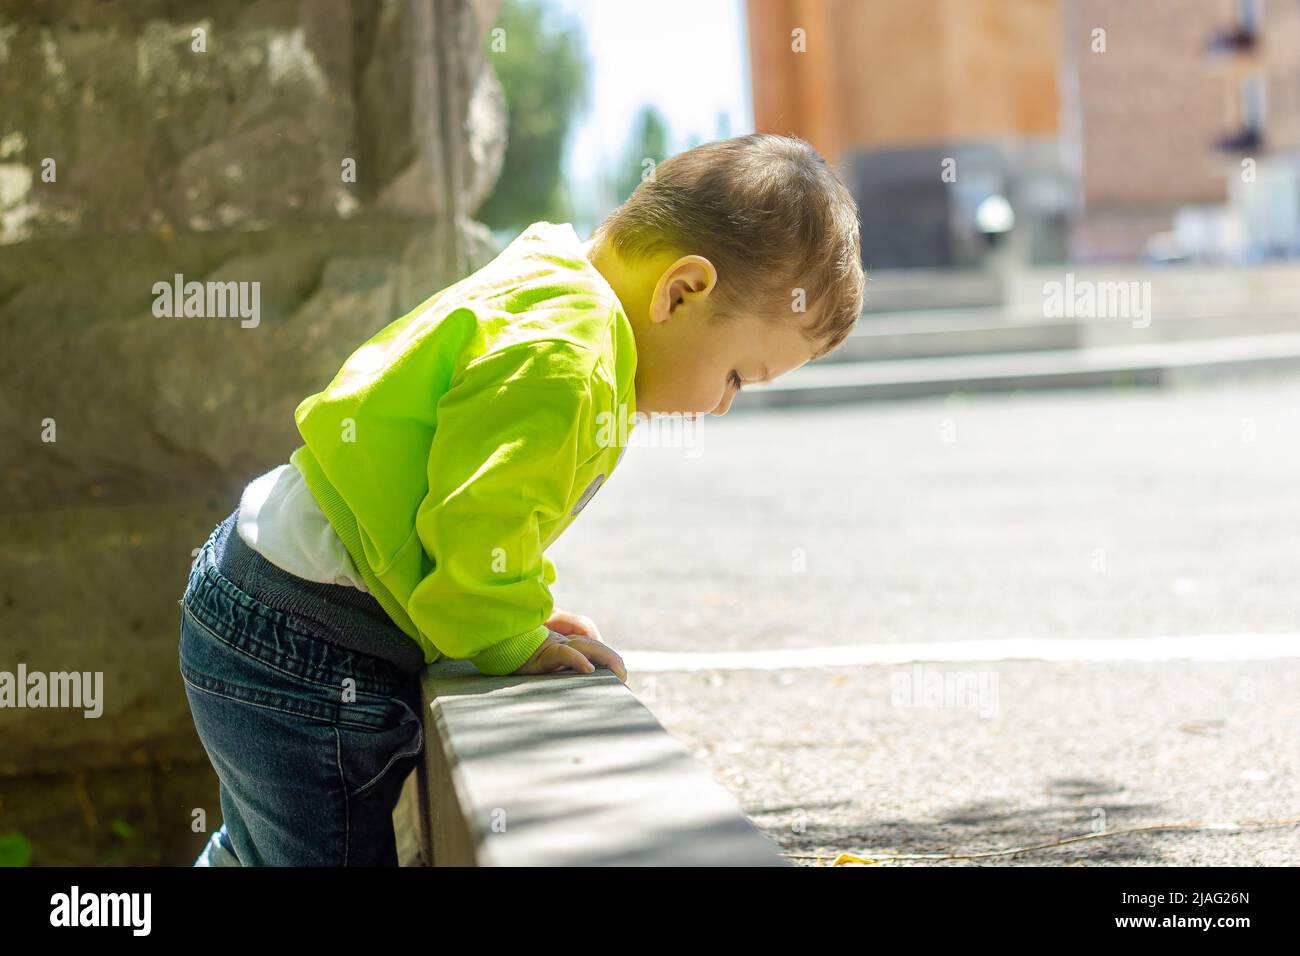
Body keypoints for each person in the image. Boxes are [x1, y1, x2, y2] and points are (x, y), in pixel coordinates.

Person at [178, 132, 866, 865]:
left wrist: (523, 611)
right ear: (682, 291)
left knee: (261, 852)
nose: (722, 406)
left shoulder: (559, 287)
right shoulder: (566, 360)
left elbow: (487, 496)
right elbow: (475, 522)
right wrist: (506, 637)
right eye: (737, 376)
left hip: (269, 596)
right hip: (304, 638)